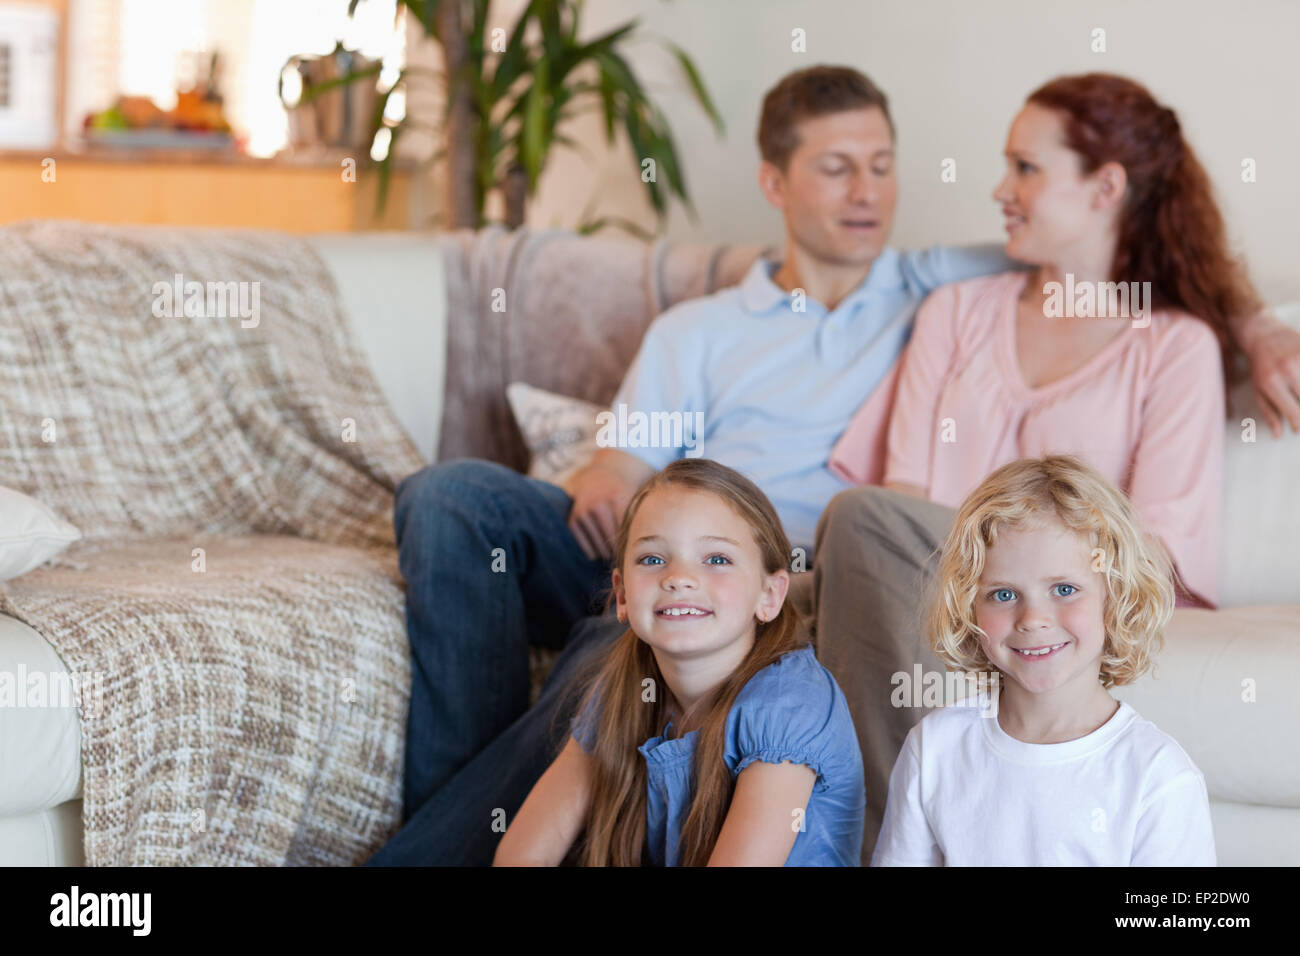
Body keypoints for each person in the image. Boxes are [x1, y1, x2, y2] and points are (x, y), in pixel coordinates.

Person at [368, 65, 1299, 866]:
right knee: (451, 497)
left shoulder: (935, 280)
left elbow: (1147, 251)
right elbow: (630, 458)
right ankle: (466, 799)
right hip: (667, 539)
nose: (869, 192)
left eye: (884, 167)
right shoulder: (714, 326)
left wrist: (1255, 325)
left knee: (625, 650)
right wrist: (612, 469)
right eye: (837, 168)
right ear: (775, 183)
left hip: (791, 566)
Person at [818, 72, 1249, 861]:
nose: (1000, 189)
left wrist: (1041, 575)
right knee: (847, 528)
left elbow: (1153, 551)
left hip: (1034, 574)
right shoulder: (955, 313)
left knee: (858, 518)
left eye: (1025, 167)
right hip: (940, 573)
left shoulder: (1173, 347)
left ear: (1104, 187)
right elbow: (901, 499)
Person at [494, 458, 864, 866]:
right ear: (621, 595)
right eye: (653, 559)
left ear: (771, 594)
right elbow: (520, 856)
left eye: (717, 559)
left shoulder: (791, 704)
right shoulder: (621, 688)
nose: (679, 577)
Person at [871, 455, 1216, 866]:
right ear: (968, 606)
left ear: (1116, 595)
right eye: (1003, 594)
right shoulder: (933, 750)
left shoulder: (1159, 777)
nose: (1033, 620)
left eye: (1065, 589)